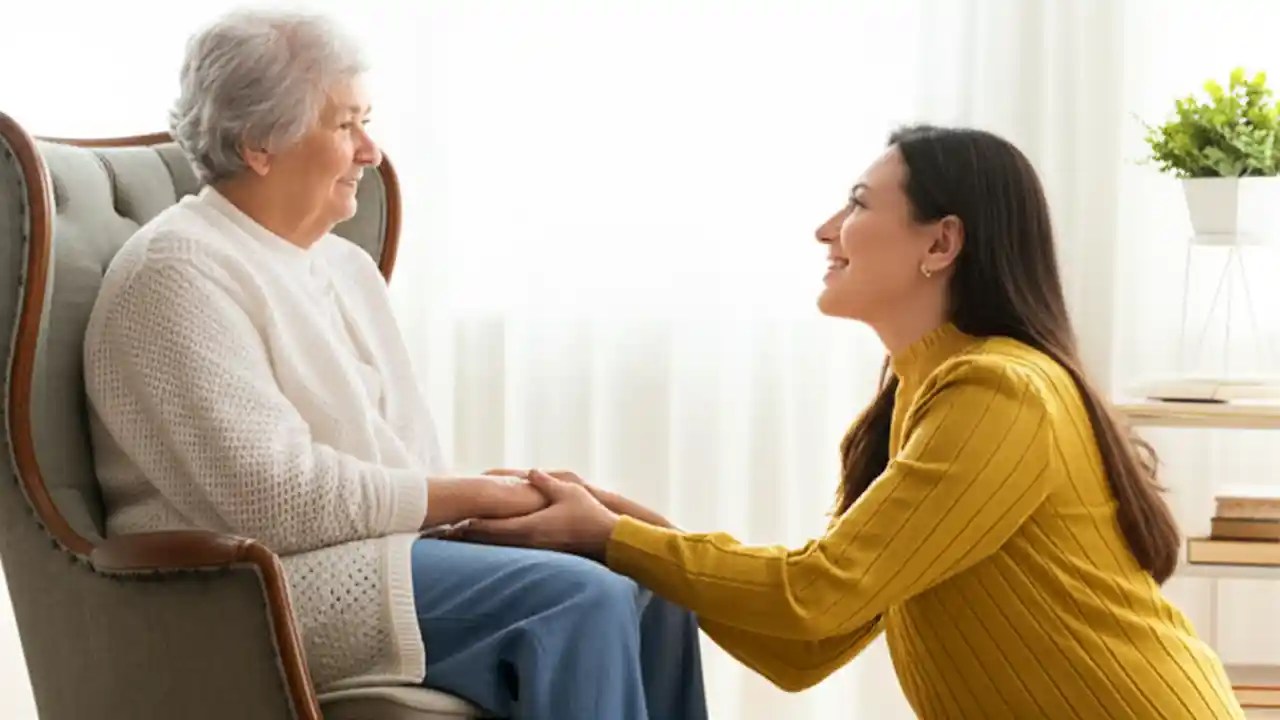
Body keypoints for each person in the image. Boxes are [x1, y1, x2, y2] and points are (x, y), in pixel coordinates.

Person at [464, 126, 1247, 719]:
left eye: (860, 205)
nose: (826, 228)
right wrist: (617, 522)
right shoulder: (919, 398)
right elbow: (809, 646)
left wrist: (609, 537)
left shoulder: (999, 392)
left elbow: (814, 597)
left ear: (941, 243)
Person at [82, 9, 706, 720]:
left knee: (649, 577)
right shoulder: (177, 273)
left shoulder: (343, 267)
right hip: (253, 587)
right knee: (576, 599)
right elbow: (272, 501)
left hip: (375, 554)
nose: (371, 151)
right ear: (259, 143)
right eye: (345, 124)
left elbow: (401, 465)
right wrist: (473, 496)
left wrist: (508, 502)